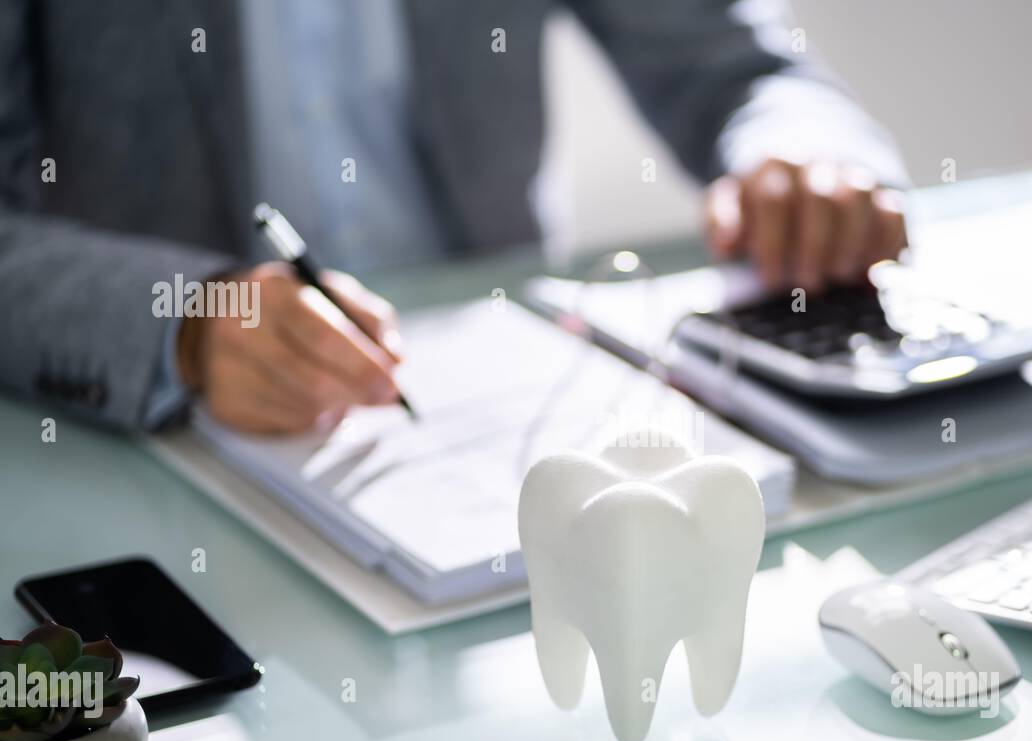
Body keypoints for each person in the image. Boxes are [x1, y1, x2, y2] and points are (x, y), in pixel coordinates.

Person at [0, 0, 909, 434]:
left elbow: (742, 72)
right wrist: (188, 319)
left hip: (506, 405)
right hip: (168, 439)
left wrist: (803, 162)